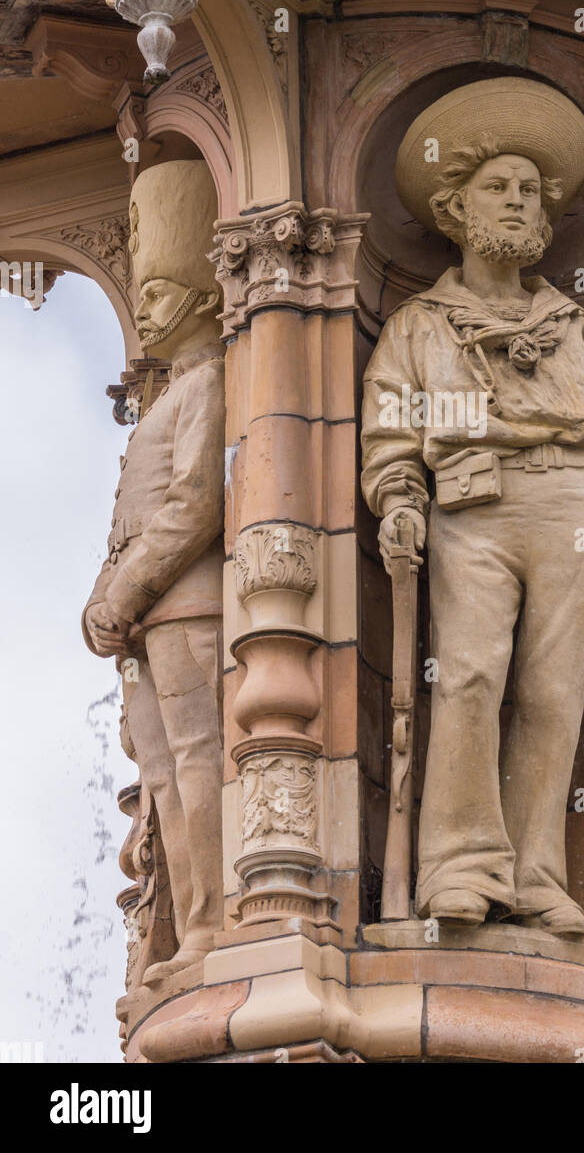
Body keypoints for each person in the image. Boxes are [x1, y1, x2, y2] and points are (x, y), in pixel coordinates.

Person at [361, 78, 584, 937]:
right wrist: (399, 499)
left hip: (573, 503)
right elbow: (391, 424)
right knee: (467, 676)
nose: (519, 201)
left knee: (553, 694)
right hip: (475, 507)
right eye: (500, 186)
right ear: (457, 209)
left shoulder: (574, 329)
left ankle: (536, 874)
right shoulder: (421, 326)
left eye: (531, 190)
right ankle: (459, 866)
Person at [83, 160, 225, 983]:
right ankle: (190, 925)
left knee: (201, 760)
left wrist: (126, 589)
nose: (145, 308)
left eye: (163, 293)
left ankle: (213, 925)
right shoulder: (170, 393)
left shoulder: (209, 381)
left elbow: (196, 504)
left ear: (207, 298)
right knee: (166, 773)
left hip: (188, 607)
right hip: (145, 617)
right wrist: (107, 601)